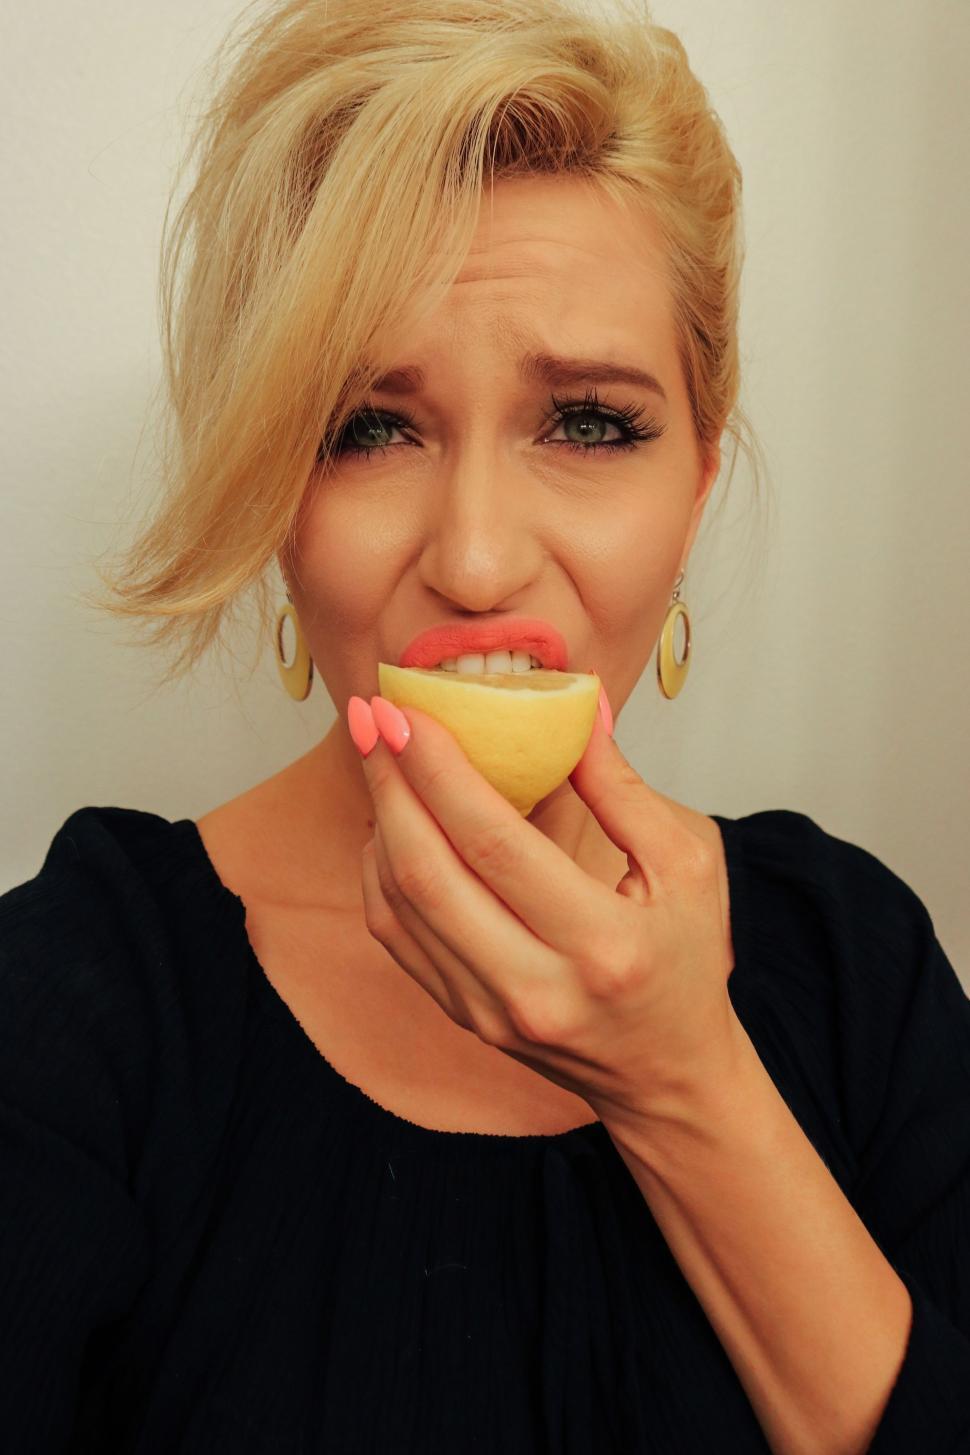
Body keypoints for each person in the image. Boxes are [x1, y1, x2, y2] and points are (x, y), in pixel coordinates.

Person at [2, 0, 968, 1450]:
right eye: (365, 427)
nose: (473, 556)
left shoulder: (855, 966)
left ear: (696, 481)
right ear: (275, 500)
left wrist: (679, 1076)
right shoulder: (71, 1007)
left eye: (585, 422)